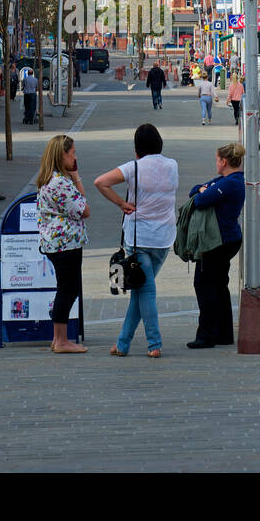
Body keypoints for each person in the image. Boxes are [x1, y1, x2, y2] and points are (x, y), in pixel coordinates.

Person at [94, 124, 178, 357]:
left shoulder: (133, 168)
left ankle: (154, 344)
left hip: (139, 239)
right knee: (140, 292)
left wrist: (121, 203)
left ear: (137, 147)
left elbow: (100, 182)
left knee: (146, 293)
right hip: (164, 239)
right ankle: (122, 344)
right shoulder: (173, 165)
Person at [186, 143, 246, 349]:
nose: (216, 162)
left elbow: (200, 200)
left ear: (224, 161)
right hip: (227, 239)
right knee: (219, 285)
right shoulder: (227, 180)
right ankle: (223, 333)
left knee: (204, 285)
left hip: (218, 241)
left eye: (217, 159)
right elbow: (195, 190)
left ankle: (207, 334)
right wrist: (202, 189)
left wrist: (202, 190)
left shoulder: (229, 184)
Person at [34, 134, 89, 353]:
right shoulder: (60, 183)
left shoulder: (50, 180)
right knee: (69, 289)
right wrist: (77, 177)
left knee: (65, 288)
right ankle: (62, 340)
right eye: (72, 153)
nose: (75, 157)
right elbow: (84, 208)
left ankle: (58, 339)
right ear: (62, 155)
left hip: (57, 242)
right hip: (65, 243)